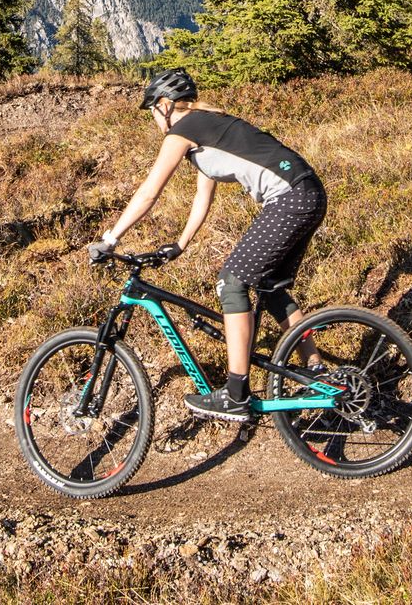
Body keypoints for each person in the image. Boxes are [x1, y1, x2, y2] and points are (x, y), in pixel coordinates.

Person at [89, 67, 326, 423]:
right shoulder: (205, 129)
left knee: (231, 282)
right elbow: (203, 197)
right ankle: (316, 370)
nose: (154, 119)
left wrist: (110, 238)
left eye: (153, 110)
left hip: (290, 199)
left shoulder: (184, 130)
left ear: (166, 105)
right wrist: (181, 244)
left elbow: (150, 192)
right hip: (307, 194)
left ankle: (236, 392)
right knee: (270, 289)